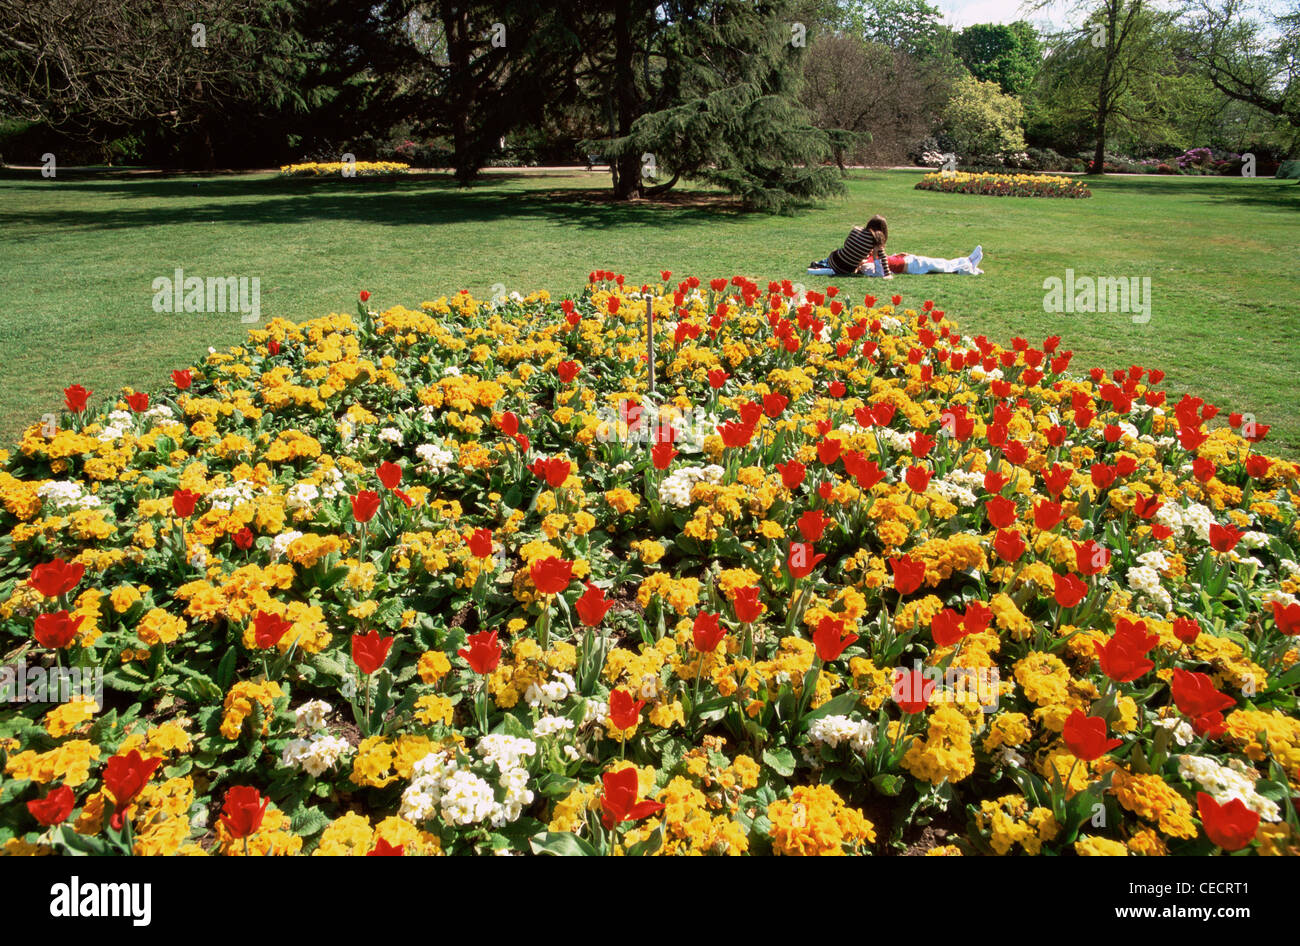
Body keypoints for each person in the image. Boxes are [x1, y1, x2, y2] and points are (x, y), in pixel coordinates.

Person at [809, 215, 891, 278]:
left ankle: (820, 263)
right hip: (847, 270)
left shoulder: (856, 229)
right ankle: (821, 265)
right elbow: (883, 258)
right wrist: (887, 274)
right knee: (845, 259)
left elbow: (846, 245)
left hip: (834, 259)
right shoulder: (876, 240)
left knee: (840, 254)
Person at [858, 245, 984, 276]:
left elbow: (886, 260)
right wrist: (874, 257)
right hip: (912, 266)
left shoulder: (868, 259)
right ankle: (969, 266)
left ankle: (968, 261)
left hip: (909, 260)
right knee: (941, 265)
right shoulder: (866, 267)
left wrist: (897, 255)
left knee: (941, 262)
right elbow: (881, 272)